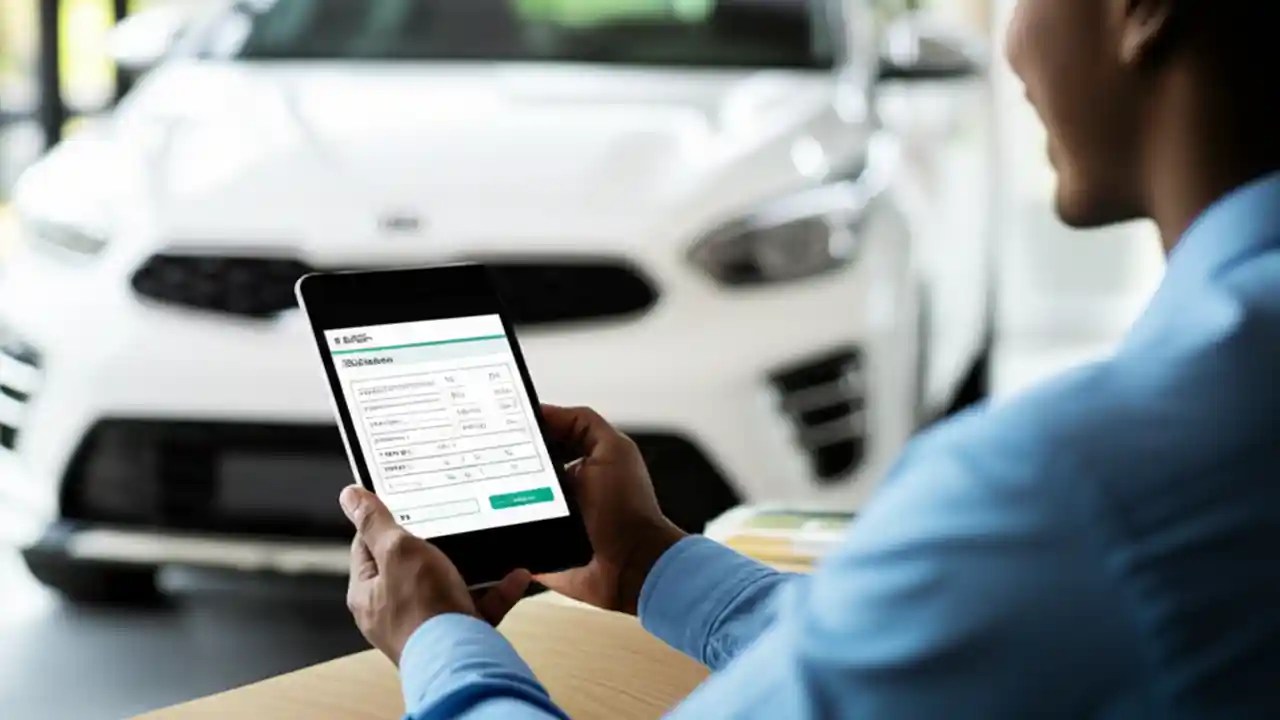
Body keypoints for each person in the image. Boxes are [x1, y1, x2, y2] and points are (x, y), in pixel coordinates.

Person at [335, 0, 1280, 716]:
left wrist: (439, 643)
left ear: (1142, 11)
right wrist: (649, 566)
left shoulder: (1067, 486)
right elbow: (943, 639)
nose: (1012, 44)